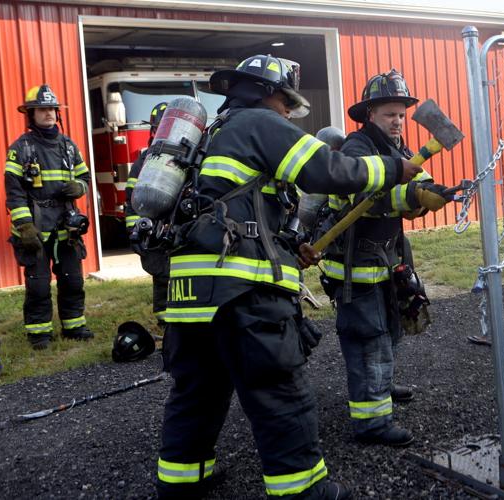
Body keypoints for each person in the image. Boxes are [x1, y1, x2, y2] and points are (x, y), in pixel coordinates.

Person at [156, 55, 422, 499]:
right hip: (242, 290)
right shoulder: (259, 123)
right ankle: (303, 490)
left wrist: (283, 242)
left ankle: (183, 480)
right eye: (287, 103)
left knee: (198, 391)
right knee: (278, 392)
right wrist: (395, 169)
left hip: (187, 291)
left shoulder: (211, 135)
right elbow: (327, 172)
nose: (287, 113)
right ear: (270, 93)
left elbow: (232, 207)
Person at [319, 69, 452, 447]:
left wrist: (432, 193)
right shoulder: (356, 149)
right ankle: (372, 423)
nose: (397, 120)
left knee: (391, 329)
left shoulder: (399, 148)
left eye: (400, 113)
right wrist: (412, 198)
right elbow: (362, 201)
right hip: (355, 265)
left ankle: (383, 387)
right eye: (389, 114)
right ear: (369, 114)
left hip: (387, 260)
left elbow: (414, 185)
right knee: (368, 339)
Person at [4, 84, 94, 350]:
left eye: (52, 109)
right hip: (36, 227)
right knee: (38, 284)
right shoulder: (21, 149)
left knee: (72, 279)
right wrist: (25, 225)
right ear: (31, 114)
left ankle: (74, 325)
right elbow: (14, 191)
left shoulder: (68, 146)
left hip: (67, 224)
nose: (49, 114)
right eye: (42, 109)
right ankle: (39, 333)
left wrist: (79, 187)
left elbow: (85, 177)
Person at [124, 102, 169, 327]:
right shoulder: (144, 161)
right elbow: (132, 200)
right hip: (156, 229)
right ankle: (166, 325)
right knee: (162, 275)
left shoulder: (193, 157)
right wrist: (136, 230)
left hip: (182, 228)